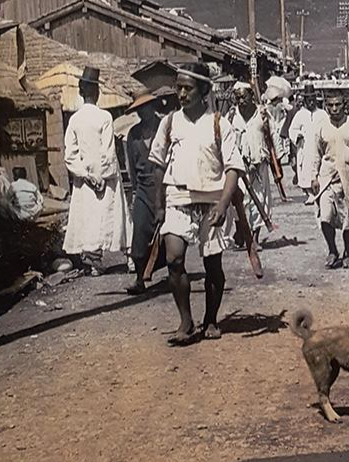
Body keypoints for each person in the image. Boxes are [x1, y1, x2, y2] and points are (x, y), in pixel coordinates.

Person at [149, 62, 245, 346]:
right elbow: (157, 164)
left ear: (203, 90)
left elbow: (233, 169)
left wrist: (224, 204)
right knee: (174, 258)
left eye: (187, 88)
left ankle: (211, 319)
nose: (181, 93)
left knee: (212, 263)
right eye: (178, 87)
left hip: (212, 201)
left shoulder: (218, 123)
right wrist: (159, 205)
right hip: (178, 198)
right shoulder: (168, 123)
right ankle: (185, 321)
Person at [63, 66, 132, 276]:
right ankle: (129, 258)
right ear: (97, 92)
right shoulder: (104, 117)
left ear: (81, 92)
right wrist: (102, 176)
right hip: (106, 176)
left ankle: (94, 262)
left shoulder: (75, 120)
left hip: (86, 179)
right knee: (114, 214)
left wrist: (86, 175)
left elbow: (70, 155)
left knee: (90, 216)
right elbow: (108, 151)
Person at [312, 91, 349, 269]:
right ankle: (332, 250)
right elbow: (315, 153)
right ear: (326, 106)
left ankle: (347, 254)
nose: (334, 108)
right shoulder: (322, 126)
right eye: (330, 105)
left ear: (344, 105)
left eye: (338, 104)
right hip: (327, 178)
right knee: (325, 217)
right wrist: (314, 176)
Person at [227, 82, 280, 249]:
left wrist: (276, 160)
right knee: (238, 200)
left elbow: (273, 135)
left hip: (259, 166)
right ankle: (241, 233)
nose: (241, 100)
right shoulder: (231, 116)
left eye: (244, 97)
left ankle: (255, 238)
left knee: (260, 200)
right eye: (238, 97)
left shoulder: (262, 114)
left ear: (251, 96)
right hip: (238, 166)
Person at [124, 91, 165, 295]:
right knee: (139, 231)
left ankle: (175, 272)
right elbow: (131, 166)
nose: (143, 112)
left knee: (169, 234)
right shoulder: (133, 134)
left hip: (165, 186)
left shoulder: (164, 127)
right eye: (139, 109)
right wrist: (134, 192)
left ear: (153, 107)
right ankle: (139, 278)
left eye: (146, 107)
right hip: (143, 188)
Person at [289, 84, 329, 197]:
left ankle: (318, 192)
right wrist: (298, 135)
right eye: (309, 100)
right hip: (305, 148)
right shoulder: (300, 115)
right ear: (305, 100)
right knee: (305, 170)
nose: (311, 103)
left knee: (320, 168)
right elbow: (292, 130)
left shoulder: (322, 114)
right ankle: (309, 193)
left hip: (319, 147)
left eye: (313, 100)